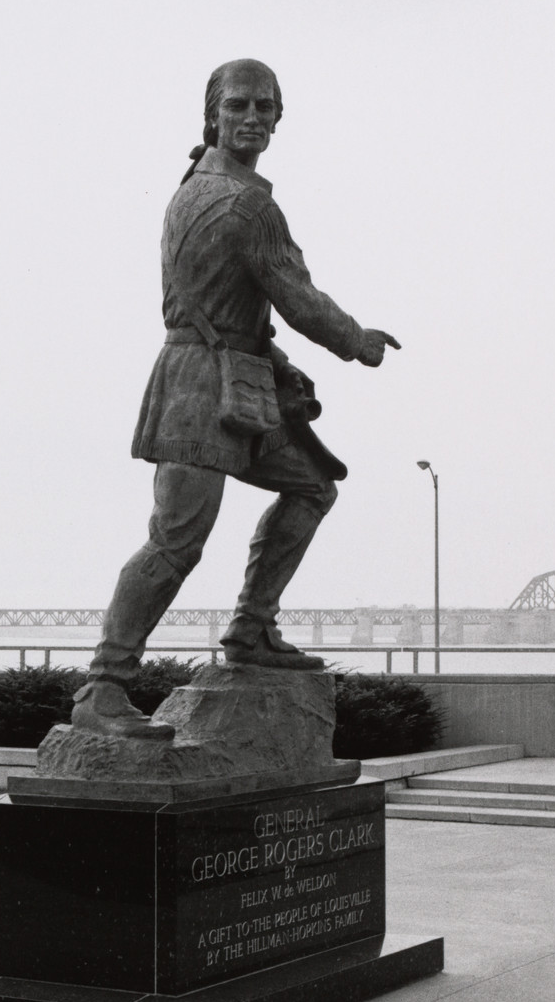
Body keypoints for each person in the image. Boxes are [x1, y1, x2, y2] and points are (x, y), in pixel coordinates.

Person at [75, 58, 401, 740]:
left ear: (278, 120)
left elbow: (239, 304)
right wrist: (357, 341)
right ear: (213, 114)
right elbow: (298, 297)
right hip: (201, 389)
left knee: (311, 485)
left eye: (266, 107)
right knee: (175, 542)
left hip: (232, 378)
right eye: (239, 106)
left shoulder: (193, 183)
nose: (253, 117)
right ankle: (103, 689)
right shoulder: (247, 205)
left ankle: (251, 630)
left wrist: (273, 357)